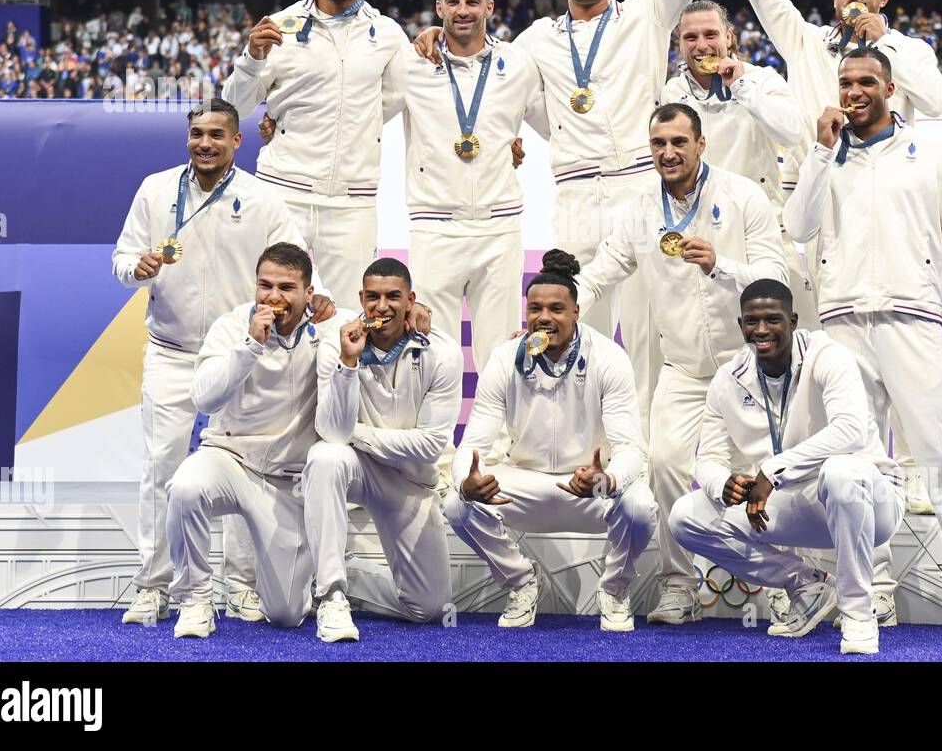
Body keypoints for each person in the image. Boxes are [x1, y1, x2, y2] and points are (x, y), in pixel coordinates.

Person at [414, 0, 769, 455]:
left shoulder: (647, 15)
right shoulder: (533, 41)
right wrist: (433, 36)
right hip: (575, 196)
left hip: (641, 192)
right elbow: (494, 90)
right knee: (584, 341)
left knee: (655, 338)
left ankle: (654, 464)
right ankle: (585, 457)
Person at [784, 47, 942, 639]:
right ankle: (875, 590)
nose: (854, 90)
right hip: (841, 324)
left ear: (889, 87)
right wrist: (818, 150)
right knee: (854, 466)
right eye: (845, 82)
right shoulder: (825, 154)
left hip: (913, 320)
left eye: (866, 81)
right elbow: (796, 227)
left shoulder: (930, 150)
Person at [745, 0, 942, 521]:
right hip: (818, 205)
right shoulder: (807, 44)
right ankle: (854, 478)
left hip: (892, 200)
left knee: (909, 352)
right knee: (835, 360)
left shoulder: (907, 51)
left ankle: (916, 468)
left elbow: (941, 104)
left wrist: (883, 42)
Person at [112, 99, 334, 628]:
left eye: (216, 134)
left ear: (238, 141)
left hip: (241, 353)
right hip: (171, 351)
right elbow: (122, 258)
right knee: (162, 470)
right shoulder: (156, 189)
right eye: (196, 133)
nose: (204, 143)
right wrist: (137, 269)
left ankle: (240, 587)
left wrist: (320, 298)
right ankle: (154, 586)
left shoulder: (262, 198)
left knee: (242, 468)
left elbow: (297, 260)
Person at [572, 103, 789, 624]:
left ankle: (780, 583)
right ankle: (677, 585)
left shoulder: (742, 196)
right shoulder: (641, 208)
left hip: (748, 369)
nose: (668, 153)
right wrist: (556, 306)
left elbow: (775, 276)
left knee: (762, 473)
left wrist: (721, 265)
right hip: (684, 370)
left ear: (700, 144)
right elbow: (603, 270)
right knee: (666, 464)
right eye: (658, 144)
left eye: (678, 142)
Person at [669, 279, 905, 654]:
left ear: (793, 320)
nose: (761, 330)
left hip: (869, 503)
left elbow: (851, 430)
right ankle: (806, 583)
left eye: (772, 319)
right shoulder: (729, 378)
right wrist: (722, 483)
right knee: (685, 516)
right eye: (751, 321)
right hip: (792, 505)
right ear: (740, 324)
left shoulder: (829, 356)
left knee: (842, 471)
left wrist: (772, 472)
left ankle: (859, 614)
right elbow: (708, 458)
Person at [444, 252, 659, 632]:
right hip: (525, 484)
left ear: (577, 311)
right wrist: (466, 480)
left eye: (557, 308)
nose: (544, 317)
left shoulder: (609, 357)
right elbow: (474, 442)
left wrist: (606, 479)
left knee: (640, 505)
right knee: (457, 503)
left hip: (590, 487)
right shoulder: (505, 357)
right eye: (536, 308)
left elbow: (630, 448)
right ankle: (522, 582)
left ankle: (614, 589)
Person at [223, 0, 410, 309]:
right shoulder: (279, 26)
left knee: (345, 317)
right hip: (282, 191)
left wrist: (354, 124)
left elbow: (391, 102)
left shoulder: (389, 34)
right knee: (268, 310)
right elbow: (234, 107)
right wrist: (252, 58)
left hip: (351, 201)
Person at [384, 0, 546, 394]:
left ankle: (497, 452)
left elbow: (557, 124)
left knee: (501, 353)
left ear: (489, 7)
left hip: (500, 226)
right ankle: (435, 457)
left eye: (472, 2)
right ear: (438, 8)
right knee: (433, 349)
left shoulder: (517, 64)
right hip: (435, 226)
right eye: (452, 2)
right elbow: (362, 114)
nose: (462, 10)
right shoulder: (411, 63)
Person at [168, 243, 324, 639]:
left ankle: (340, 577)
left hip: (286, 480)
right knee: (186, 486)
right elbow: (204, 397)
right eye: (265, 285)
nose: (273, 296)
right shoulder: (232, 326)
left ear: (309, 292)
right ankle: (196, 599)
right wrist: (250, 346)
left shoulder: (325, 333)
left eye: (287, 287)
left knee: (288, 613)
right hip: (230, 460)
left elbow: (379, 327)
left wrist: (417, 315)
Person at [303, 258, 463, 642]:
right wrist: (347, 363)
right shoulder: (338, 344)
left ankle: (350, 574)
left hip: (411, 483)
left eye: (394, 296)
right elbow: (330, 431)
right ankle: (331, 594)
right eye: (373, 297)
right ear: (361, 298)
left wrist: (357, 434)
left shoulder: (442, 352)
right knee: (325, 457)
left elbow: (428, 447)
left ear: (411, 301)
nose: (382, 306)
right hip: (355, 468)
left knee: (430, 608)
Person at [659, 0, 811, 326]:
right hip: (700, 239)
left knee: (797, 339)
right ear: (679, 43)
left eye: (710, 34)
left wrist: (741, 86)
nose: (701, 45)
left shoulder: (762, 79)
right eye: (690, 37)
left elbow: (792, 131)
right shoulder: (671, 92)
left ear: (729, 37)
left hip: (763, 233)